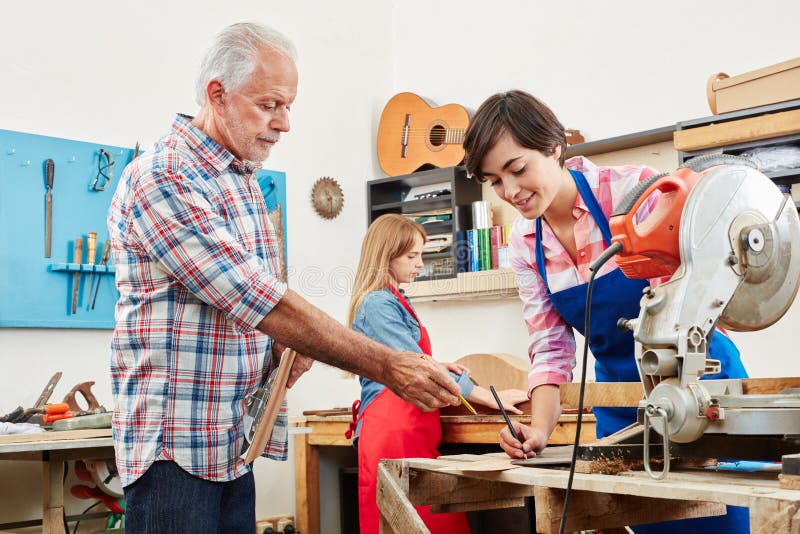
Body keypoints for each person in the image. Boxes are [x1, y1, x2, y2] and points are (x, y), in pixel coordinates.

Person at [107, 23, 461, 534]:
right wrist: (387, 364)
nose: (285, 122)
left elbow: (244, 314)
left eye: (289, 105)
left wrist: (277, 357)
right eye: (270, 104)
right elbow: (260, 301)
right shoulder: (163, 176)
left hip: (232, 444)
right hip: (175, 451)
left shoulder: (244, 183)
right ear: (217, 95)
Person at [461, 90, 749, 533]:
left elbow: (679, 306)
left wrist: (674, 399)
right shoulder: (523, 244)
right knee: (649, 521)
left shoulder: (634, 191)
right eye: (494, 180)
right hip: (621, 402)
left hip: (699, 384)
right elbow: (550, 347)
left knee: (718, 518)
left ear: (554, 147)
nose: (510, 191)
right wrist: (537, 432)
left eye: (518, 169)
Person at [345, 213, 529, 534]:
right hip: (393, 433)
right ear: (386, 256)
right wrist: (489, 397)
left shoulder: (394, 300)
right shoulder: (378, 304)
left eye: (421, 255)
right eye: (412, 256)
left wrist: (437, 365)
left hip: (409, 429)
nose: (420, 264)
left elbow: (406, 358)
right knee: (412, 523)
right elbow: (415, 366)